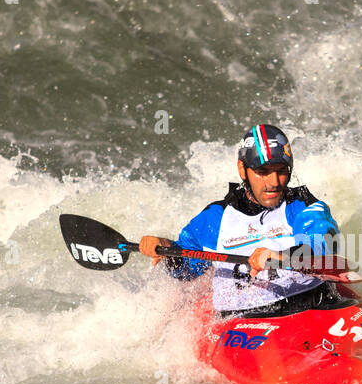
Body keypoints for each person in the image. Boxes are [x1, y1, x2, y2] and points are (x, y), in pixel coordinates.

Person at [139, 124, 347, 317]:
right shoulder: (214, 219)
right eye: (263, 172)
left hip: (313, 307)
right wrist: (165, 249)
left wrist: (280, 256)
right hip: (247, 324)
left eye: (281, 171)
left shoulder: (301, 205)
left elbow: (325, 242)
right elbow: (186, 269)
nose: (273, 182)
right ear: (242, 169)